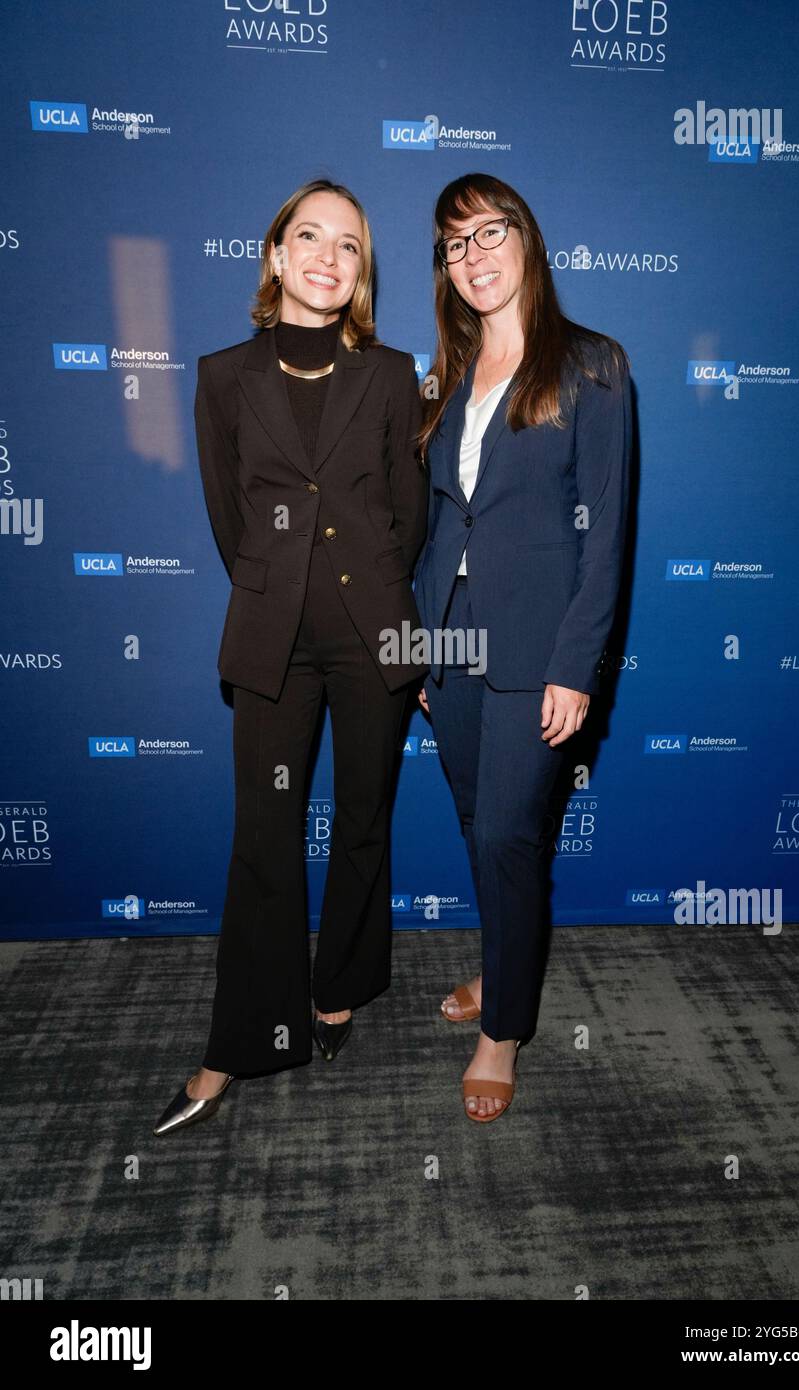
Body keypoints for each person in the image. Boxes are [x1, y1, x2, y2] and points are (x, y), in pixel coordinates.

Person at [154, 179, 428, 1136]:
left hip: (374, 638)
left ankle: (342, 985)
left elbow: (408, 514)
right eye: (308, 236)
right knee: (263, 840)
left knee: (363, 820)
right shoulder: (223, 375)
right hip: (272, 641)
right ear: (275, 257)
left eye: (347, 244)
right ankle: (243, 1039)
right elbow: (232, 523)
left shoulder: (392, 377)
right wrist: (282, 592)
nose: (326, 255)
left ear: (360, 273)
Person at [414, 173, 633, 1123]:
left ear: (527, 238)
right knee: (480, 828)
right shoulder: (446, 377)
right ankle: (501, 958)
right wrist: (419, 650)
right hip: (451, 647)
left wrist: (574, 668)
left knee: (507, 831)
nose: (475, 257)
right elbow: (434, 522)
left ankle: (503, 1027)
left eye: (489, 233)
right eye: (455, 245)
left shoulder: (594, 366)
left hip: (538, 653)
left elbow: (607, 538)